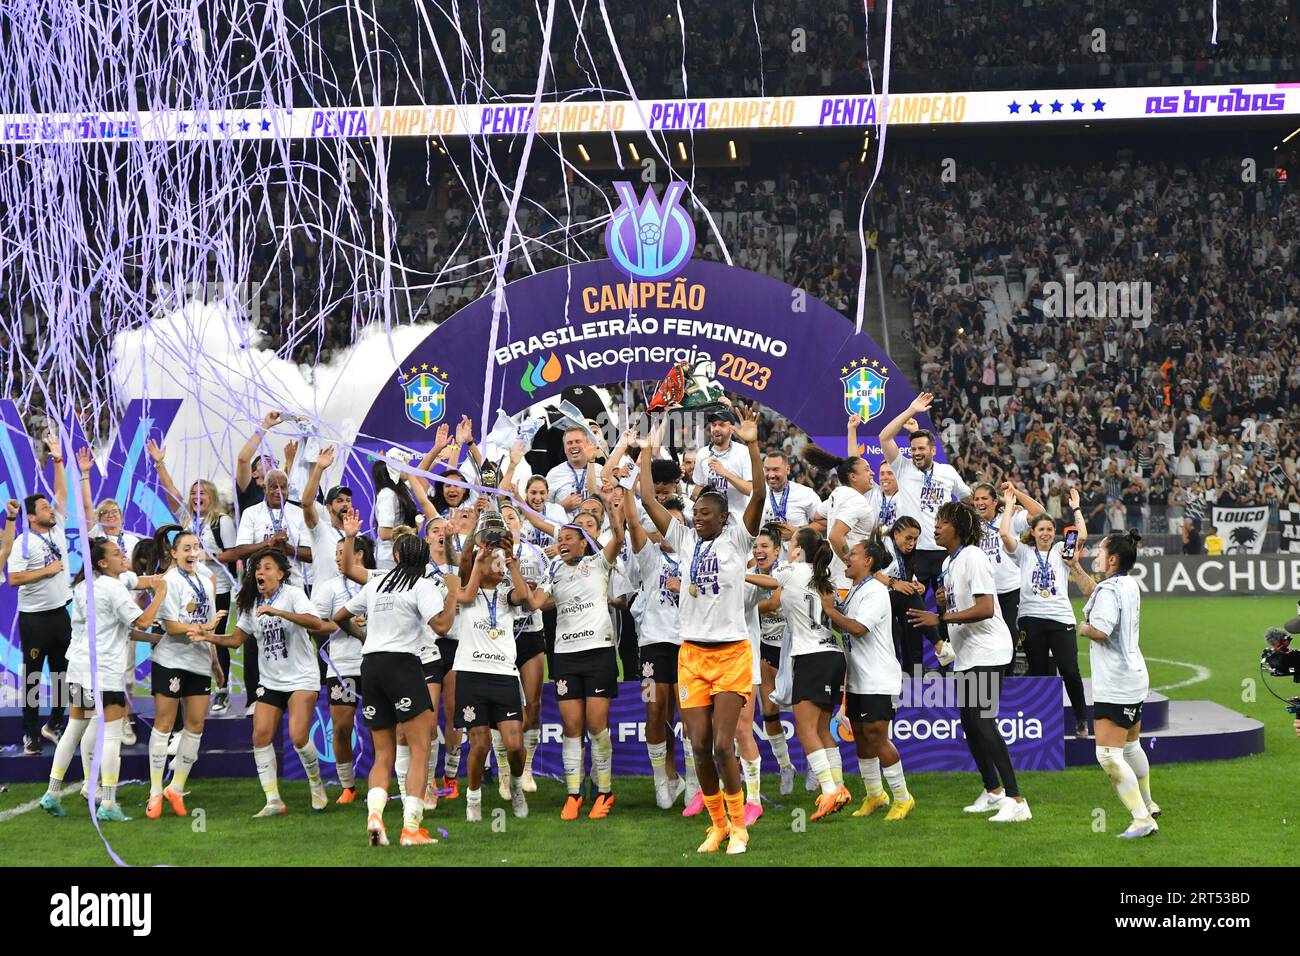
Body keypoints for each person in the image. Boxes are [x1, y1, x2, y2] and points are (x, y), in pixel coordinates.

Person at [638, 405, 764, 855]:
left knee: (723, 747)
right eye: (697, 513)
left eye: (706, 513)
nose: (698, 517)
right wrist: (647, 450)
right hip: (690, 654)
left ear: (723, 518)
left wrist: (751, 444)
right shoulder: (686, 537)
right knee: (698, 744)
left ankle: (740, 825)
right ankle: (717, 826)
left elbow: (758, 500)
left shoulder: (738, 537)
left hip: (731, 654)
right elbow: (648, 498)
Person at [908, 502, 1029, 823]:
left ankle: (1017, 800)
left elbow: (987, 607)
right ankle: (993, 791)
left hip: (989, 649)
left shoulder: (973, 556)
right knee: (971, 723)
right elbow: (961, 608)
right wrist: (946, 604)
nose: (935, 527)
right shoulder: (950, 562)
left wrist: (941, 614)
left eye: (942, 522)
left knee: (983, 722)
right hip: (967, 653)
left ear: (958, 527)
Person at [335, 534, 458, 846]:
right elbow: (442, 627)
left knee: (383, 753)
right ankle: (410, 828)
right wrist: (453, 594)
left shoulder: (377, 583)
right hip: (403, 666)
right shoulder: (421, 585)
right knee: (419, 749)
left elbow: (339, 617)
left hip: (370, 666)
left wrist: (363, 636)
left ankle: (375, 815)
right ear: (423, 558)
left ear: (399, 556)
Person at [40, 538, 166, 821]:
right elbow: (142, 621)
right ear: (102, 562)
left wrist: (150, 582)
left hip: (78, 667)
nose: (123, 555)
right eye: (117, 553)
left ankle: (52, 791)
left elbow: (126, 615)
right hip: (105, 670)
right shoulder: (113, 589)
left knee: (75, 728)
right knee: (111, 736)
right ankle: (108, 803)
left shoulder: (84, 585)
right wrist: (160, 591)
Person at [193, 548, 326, 815]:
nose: (260, 573)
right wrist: (207, 637)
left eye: (266, 567)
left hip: (301, 678)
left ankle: (316, 784)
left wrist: (279, 613)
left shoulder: (294, 595)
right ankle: (273, 800)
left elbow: (316, 623)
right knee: (260, 735)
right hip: (271, 680)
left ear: (281, 573)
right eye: (257, 569)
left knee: (299, 736)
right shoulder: (252, 605)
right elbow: (235, 640)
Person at [523, 500, 626, 820]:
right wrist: (521, 574)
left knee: (596, 726)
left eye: (570, 538)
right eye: (561, 539)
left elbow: (620, 538)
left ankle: (605, 792)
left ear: (585, 541)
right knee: (571, 727)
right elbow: (536, 604)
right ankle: (573, 795)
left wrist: (618, 501)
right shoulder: (553, 571)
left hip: (598, 652)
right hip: (565, 655)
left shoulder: (598, 563)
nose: (563, 542)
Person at [1069, 530, 1160, 839]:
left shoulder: (1110, 591)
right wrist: (1076, 568)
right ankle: (1148, 803)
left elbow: (1101, 630)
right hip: (1135, 676)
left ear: (1112, 558)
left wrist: (1083, 628)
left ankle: (1141, 818)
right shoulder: (1128, 584)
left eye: (1100, 550)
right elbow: (1099, 594)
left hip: (1116, 681)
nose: (1095, 554)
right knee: (1131, 745)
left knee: (1108, 755)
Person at [819, 537, 915, 821]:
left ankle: (903, 797)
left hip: (877, 676)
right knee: (860, 735)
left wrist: (830, 610)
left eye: (853, 553)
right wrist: (833, 608)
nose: (846, 557)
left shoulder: (874, 590)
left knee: (876, 735)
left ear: (869, 560)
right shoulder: (857, 590)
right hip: (858, 677)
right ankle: (875, 794)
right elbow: (843, 624)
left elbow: (859, 628)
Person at [145, 440, 239, 716]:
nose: (198, 498)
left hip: (216, 586)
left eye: (203, 494)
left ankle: (221, 690)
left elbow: (232, 554)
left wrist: (205, 557)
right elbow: (171, 492)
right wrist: (160, 463)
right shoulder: (186, 519)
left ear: (212, 496)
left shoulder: (222, 521)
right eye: (194, 494)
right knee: (186, 634)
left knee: (214, 637)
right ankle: (188, 684)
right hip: (185, 587)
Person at [451, 528, 533, 822]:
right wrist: (476, 559)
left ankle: (515, 784)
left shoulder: (504, 594)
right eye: (494, 562)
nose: (499, 566)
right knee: (479, 744)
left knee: (514, 745)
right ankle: (473, 799)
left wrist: (513, 567)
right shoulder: (465, 590)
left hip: (504, 676)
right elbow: (468, 586)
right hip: (472, 676)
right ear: (480, 563)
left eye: (502, 562)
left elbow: (524, 596)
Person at [999, 487, 1089, 737]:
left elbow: (1081, 535)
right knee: (1038, 671)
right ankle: (1044, 724)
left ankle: (1081, 719)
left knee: (1070, 670)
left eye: (1050, 529)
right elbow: (1005, 534)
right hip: (1031, 619)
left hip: (1061, 618)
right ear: (1033, 532)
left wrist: (1076, 508)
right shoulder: (1024, 553)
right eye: (1041, 529)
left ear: (1054, 532)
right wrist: (1009, 505)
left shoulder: (1063, 549)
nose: (1046, 533)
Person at [774, 527, 850, 822]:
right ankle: (840, 787)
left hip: (810, 656)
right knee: (821, 729)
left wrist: (734, 576)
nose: (788, 547)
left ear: (798, 550)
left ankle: (829, 791)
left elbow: (767, 580)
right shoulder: (824, 579)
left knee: (806, 730)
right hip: (833, 654)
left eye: (791, 543)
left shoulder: (791, 569)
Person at [150, 529, 226, 818]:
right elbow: (171, 626)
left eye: (196, 548)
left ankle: (176, 788)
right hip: (171, 659)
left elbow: (209, 627)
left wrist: (216, 663)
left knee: (195, 726)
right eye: (186, 549)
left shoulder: (206, 583)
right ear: (174, 553)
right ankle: (156, 791)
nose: (192, 553)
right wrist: (202, 629)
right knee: (165, 724)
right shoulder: (168, 582)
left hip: (198, 661)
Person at [7, 434, 71, 754]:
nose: (51, 509)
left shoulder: (57, 527)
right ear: (31, 517)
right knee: (34, 677)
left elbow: (61, 491)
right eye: (44, 507)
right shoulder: (24, 543)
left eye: (49, 507)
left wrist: (58, 459)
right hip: (35, 619)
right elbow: (14, 577)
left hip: (61, 612)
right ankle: (30, 732)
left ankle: (54, 722)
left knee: (61, 673)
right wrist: (47, 571)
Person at [625, 489, 688, 809]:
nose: (670, 531)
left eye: (677, 524)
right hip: (653, 644)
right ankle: (663, 780)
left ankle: (693, 783)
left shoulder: (695, 557)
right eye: (666, 524)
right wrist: (624, 488)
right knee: (654, 711)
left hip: (688, 645)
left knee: (688, 715)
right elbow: (633, 524)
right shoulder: (649, 556)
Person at [879, 392, 973, 595]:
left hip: (945, 549)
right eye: (912, 449)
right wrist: (911, 410)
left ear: (933, 451)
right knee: (912, 604)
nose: (916, 453)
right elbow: (884, 437)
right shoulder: (903, 468)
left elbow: (969, 498)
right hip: (915, 550)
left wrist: (1002, 505)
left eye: (921, 448)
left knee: (948, 605)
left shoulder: (947, 472)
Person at [310, 533, 375, 804]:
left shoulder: (377, 580)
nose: (337, 558)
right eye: (336, 553)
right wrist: (343, 624)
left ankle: (383, 782)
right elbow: (314, 623)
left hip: (374, 662)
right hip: (342, 667)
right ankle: (348, 786)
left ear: (357, 554)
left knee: (379, 726)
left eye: (342, 552)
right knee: (341, 727)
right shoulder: (330, 588)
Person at [500, 504, 551, 794]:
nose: (507, 522)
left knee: (532, 705)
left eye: (511, 517)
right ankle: (506, 771)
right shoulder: (490, 556)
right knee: (505, 708)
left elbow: (548, 590)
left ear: (520, 522)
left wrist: (533, 594)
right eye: (501, 518)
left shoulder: (538, 553)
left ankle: (527, 766)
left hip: (531, 633)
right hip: (502, 636)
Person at [971, 481, 1043, 674]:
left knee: (1010, 638)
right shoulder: (970, 524)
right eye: (976, 499)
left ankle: (1007, 682)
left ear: (995, 501)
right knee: (986, 641)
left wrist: (1015, 493)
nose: (979, 502)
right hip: (984, 594)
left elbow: (1039, 514)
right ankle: (990, 684)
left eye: (984, 498)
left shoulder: (1009, 518)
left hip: (1011, 590)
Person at [751, 527, 796, 794]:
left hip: (792, 646)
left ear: (777, 550)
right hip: (765, 646)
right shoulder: (752, 574)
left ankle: (815, 767)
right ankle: (785, 766)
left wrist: (744, 607)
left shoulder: (788, 571)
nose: (759, 551)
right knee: (769, 712)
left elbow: (775, 602)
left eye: (765, 546)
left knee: (803, 712)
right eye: (756, 547)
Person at [803, 446, 881, 589]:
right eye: (867, 469)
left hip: (835, 576)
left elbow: (817, 516)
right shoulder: (855, 500)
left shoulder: (837, 494)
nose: (872, 473)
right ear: (853, 476)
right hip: (849, 582)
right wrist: (852, 563)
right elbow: (835, 536)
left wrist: (834, 522)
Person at [874, 516, 936, 672]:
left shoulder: (909, 553)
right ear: (896, 534)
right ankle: (937, 642)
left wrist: (917, 585)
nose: (912, 543)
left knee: (911, 610)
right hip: (876, 599)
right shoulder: (880, 544)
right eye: (908, 538)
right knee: (910, 597)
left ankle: (913, 669)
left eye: (915, 539)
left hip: (896, 601)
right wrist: (894, 584)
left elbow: (908, 576)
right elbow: (869, 573)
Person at [233, 469, 311, 591]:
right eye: (274, 487)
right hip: (258, 586)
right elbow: (240, 551)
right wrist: (269, 543)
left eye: (283, 487)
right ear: (265, 488)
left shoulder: (299, 514)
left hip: (292, 586)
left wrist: (287, 548)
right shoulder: (251, 513)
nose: (278, 492)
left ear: (288, 489)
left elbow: (310, 555)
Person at [691, 410, 754, 516]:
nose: (716, 429)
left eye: (721, 425)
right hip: (711, 520)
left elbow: (751, 490)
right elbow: (699, 486)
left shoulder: (744, 452)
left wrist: (725, 474)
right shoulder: (702, 453)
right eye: (713, 425)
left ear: (732, 429)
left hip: (736, 519)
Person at [759, 451, 821, 544]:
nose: (771, 475)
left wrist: (797, 531)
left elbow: (823, 523)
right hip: (764, 556)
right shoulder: (757, 495)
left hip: (797, 556)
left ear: (787, 469)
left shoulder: (805, 493)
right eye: (767, 470)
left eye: (776, 469)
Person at [545, 426, 600, 520]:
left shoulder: (601, 471)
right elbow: (542, 510)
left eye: (578, 441)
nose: (573, 446)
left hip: (597, 532)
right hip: (565, 532)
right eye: (569, 443)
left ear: (587, 444)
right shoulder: (554, 474)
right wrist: (561, 507)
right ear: (565, 449)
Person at [234, 411, 283, 513]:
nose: (271, 462)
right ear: (254, 473)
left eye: (275, 462)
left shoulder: (281, 493)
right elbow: (243, 459)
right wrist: (266, 425)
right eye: (264, 461)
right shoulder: (248, 488)